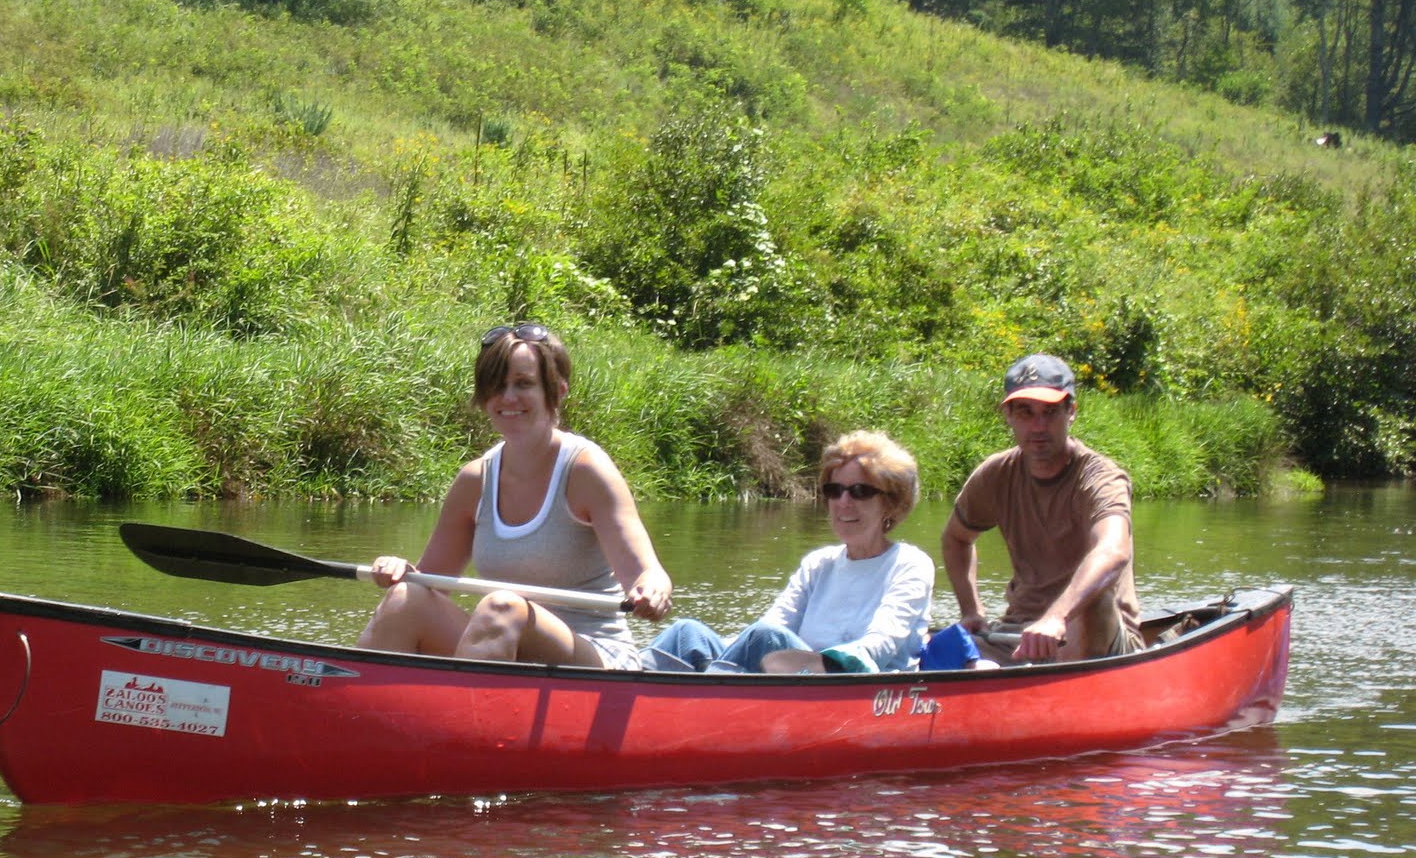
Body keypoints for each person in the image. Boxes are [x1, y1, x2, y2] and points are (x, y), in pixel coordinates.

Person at [356, 323, 673, 669]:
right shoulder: (474, 480)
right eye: (496, 386)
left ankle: (465, 715)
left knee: (502, 606)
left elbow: (646, 574)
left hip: (596, 659)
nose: (507, 398)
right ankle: (355, 705)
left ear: (558, 390)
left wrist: (651, 591)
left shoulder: (586, 470)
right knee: (407, 597)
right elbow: (430, 582)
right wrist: (403, 571)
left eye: (523, 384)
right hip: (504, 647)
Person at [642, 430, 933, 674]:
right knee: (687, 633)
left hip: (853, 688)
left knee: (765, 638)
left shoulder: (910, 565)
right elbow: (774, 624)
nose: (843, 502)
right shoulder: (819, 564)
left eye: (860, 491)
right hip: (796, 677)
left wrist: (825, 662)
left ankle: (697, 706)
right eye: (834, 490)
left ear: (892, 503)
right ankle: (621, 686)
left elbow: (881, 645)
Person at [940, 353, 1142, 664]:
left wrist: (1056, 618)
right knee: (932, 649)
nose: (1038, 426)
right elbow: (956, 539)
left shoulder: (1101, 477)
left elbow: (1114, 551)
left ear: (1071, 412)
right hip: (1018, 635)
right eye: (1025, 412)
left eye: (1050, 412)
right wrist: (971, 611)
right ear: (1007, 415)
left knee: (1094, 598)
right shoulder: (996, 474)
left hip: (1099, 639)